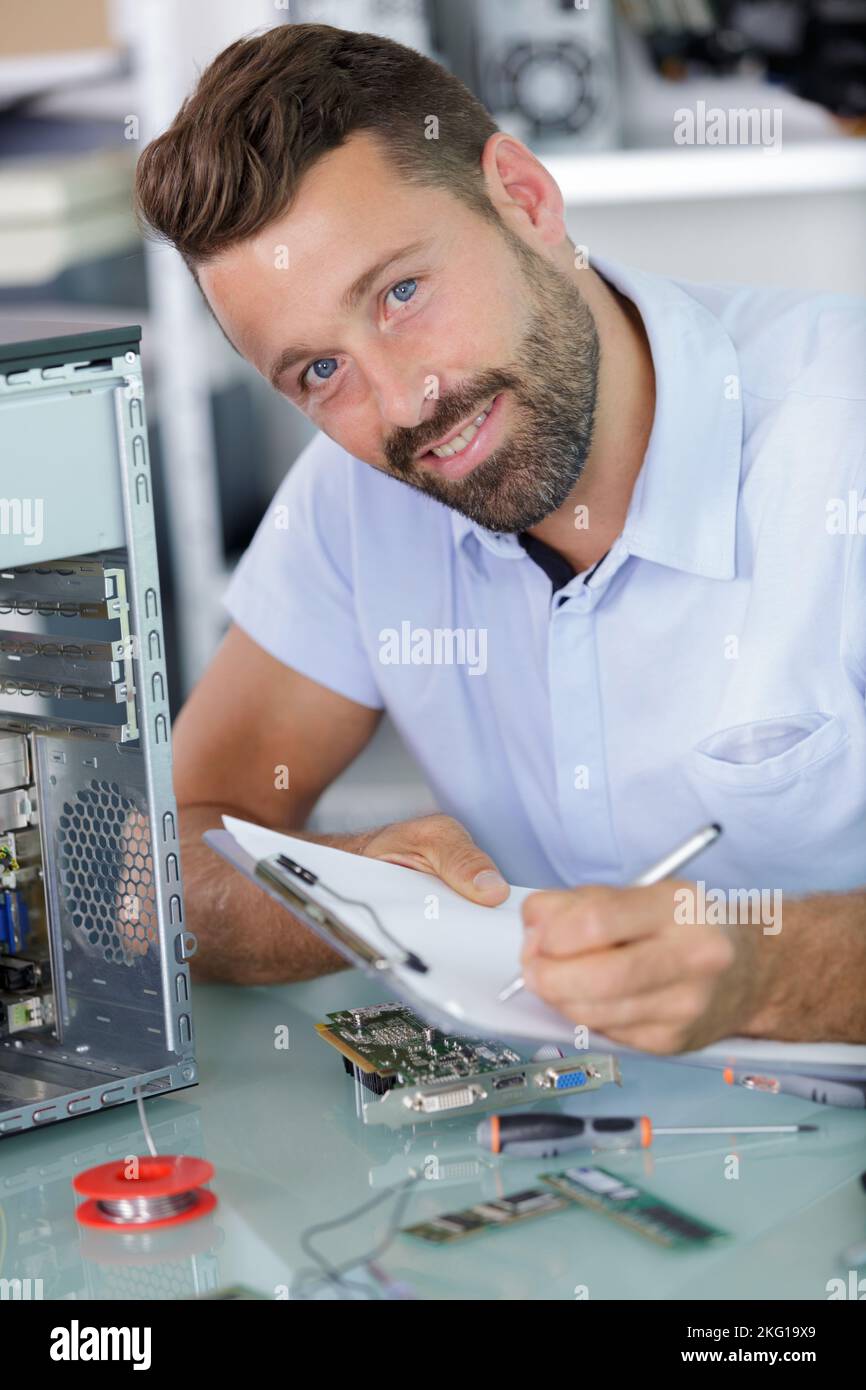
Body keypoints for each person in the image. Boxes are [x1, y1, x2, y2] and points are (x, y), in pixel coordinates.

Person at [133, 23, 866, 1052]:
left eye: (400, 294)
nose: (401, 407)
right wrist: (351, 898)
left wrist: (767, 971)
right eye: (318, 373)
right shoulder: (352, 504)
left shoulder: (842, 426)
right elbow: (159, 863)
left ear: (523, 198)